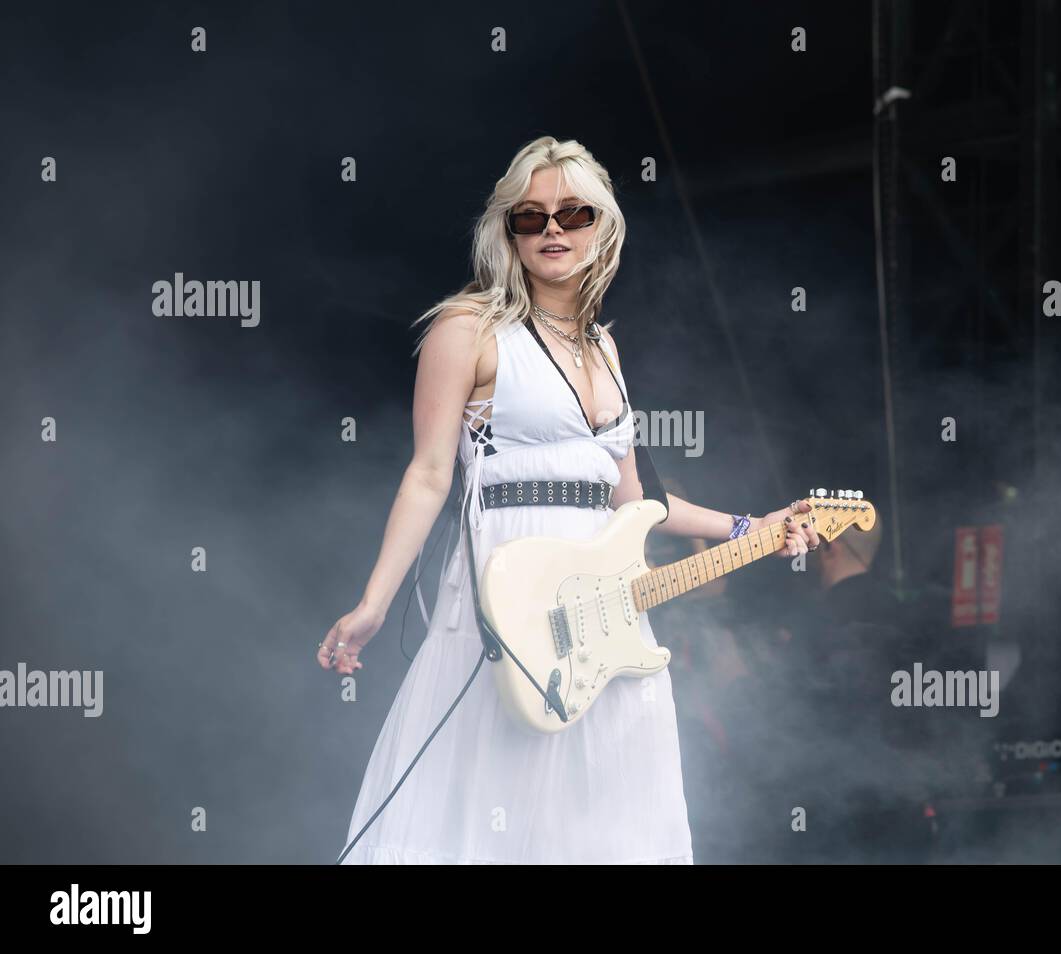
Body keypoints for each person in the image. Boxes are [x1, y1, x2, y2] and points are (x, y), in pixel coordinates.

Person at [316, 135, 820, 864]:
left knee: (607, 820)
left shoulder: (605, 351)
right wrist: (374, 604)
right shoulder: (468, 330)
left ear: (601, 228)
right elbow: (428, 474)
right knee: (486, 808)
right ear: (509, 233)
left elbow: (637, 503)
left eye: (573, 213)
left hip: (606, 617)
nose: (553, 229)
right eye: (532, 216)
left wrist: (753, 527)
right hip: (508, 601)